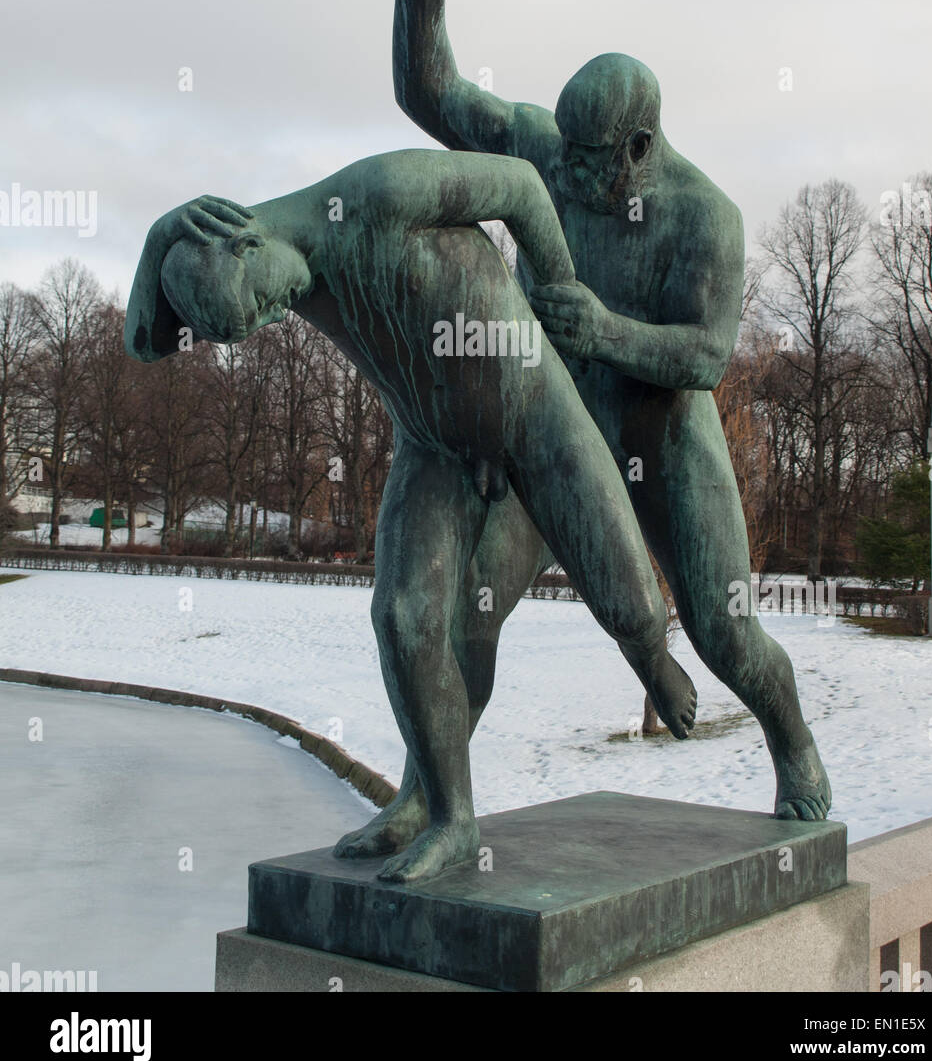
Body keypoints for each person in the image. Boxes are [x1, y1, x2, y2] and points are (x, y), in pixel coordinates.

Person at [125, 148, 697, 882]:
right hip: (433, 446)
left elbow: (521, 187)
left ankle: (650, 658)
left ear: (249, 242)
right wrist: (155, 239)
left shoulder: (380, 194)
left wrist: (564, 303)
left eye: (263, 303)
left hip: (536, 416)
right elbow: (147, 344)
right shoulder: (257, 266)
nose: (275, 316)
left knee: (626, 602)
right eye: (256, 325)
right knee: (403, 617)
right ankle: (441, 813)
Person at [384, 0, 831, 833]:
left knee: (724, 633)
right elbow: (434, 95)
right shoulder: (550, 151)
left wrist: (603, 329)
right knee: (470, 610)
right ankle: (426, 797)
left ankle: (794, 750)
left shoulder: (703, 216)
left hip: (663, 440)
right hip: (551, 431)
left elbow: (705, 355)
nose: (570, 181)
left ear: (637, 149)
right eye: (565, 163)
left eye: (592, 167)